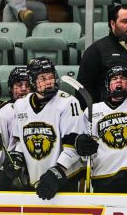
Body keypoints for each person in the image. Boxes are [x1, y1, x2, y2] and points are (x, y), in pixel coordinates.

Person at [40, 61, 127, 197]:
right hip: (103, 176)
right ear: (107, 85)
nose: (119, 80)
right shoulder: (92, 110)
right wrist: (83, 145)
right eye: (114, 78)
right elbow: (80, 150)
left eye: (123, 78)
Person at [13, 57, 85, 194]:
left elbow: (72, 146)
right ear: (32, 81)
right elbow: (20, 141)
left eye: (51, 77)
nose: (49, 82)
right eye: (43, 79)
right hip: (35, 179)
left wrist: (58, 171)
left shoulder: (68, 102)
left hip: (66, 177)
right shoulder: (20, 105)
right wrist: (16, 159)